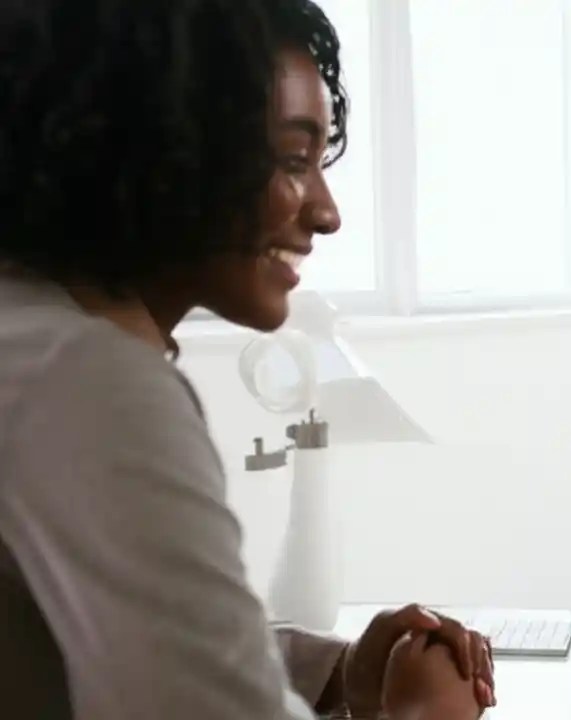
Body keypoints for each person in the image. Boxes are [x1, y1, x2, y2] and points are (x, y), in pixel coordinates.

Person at [0, 1, 492, 718]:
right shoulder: (91, 385)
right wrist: (417, 716)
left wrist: (338, 671)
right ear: (162, 144)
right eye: (294, 161)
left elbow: (135, 636)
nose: (327, 213)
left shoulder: (29, 334)